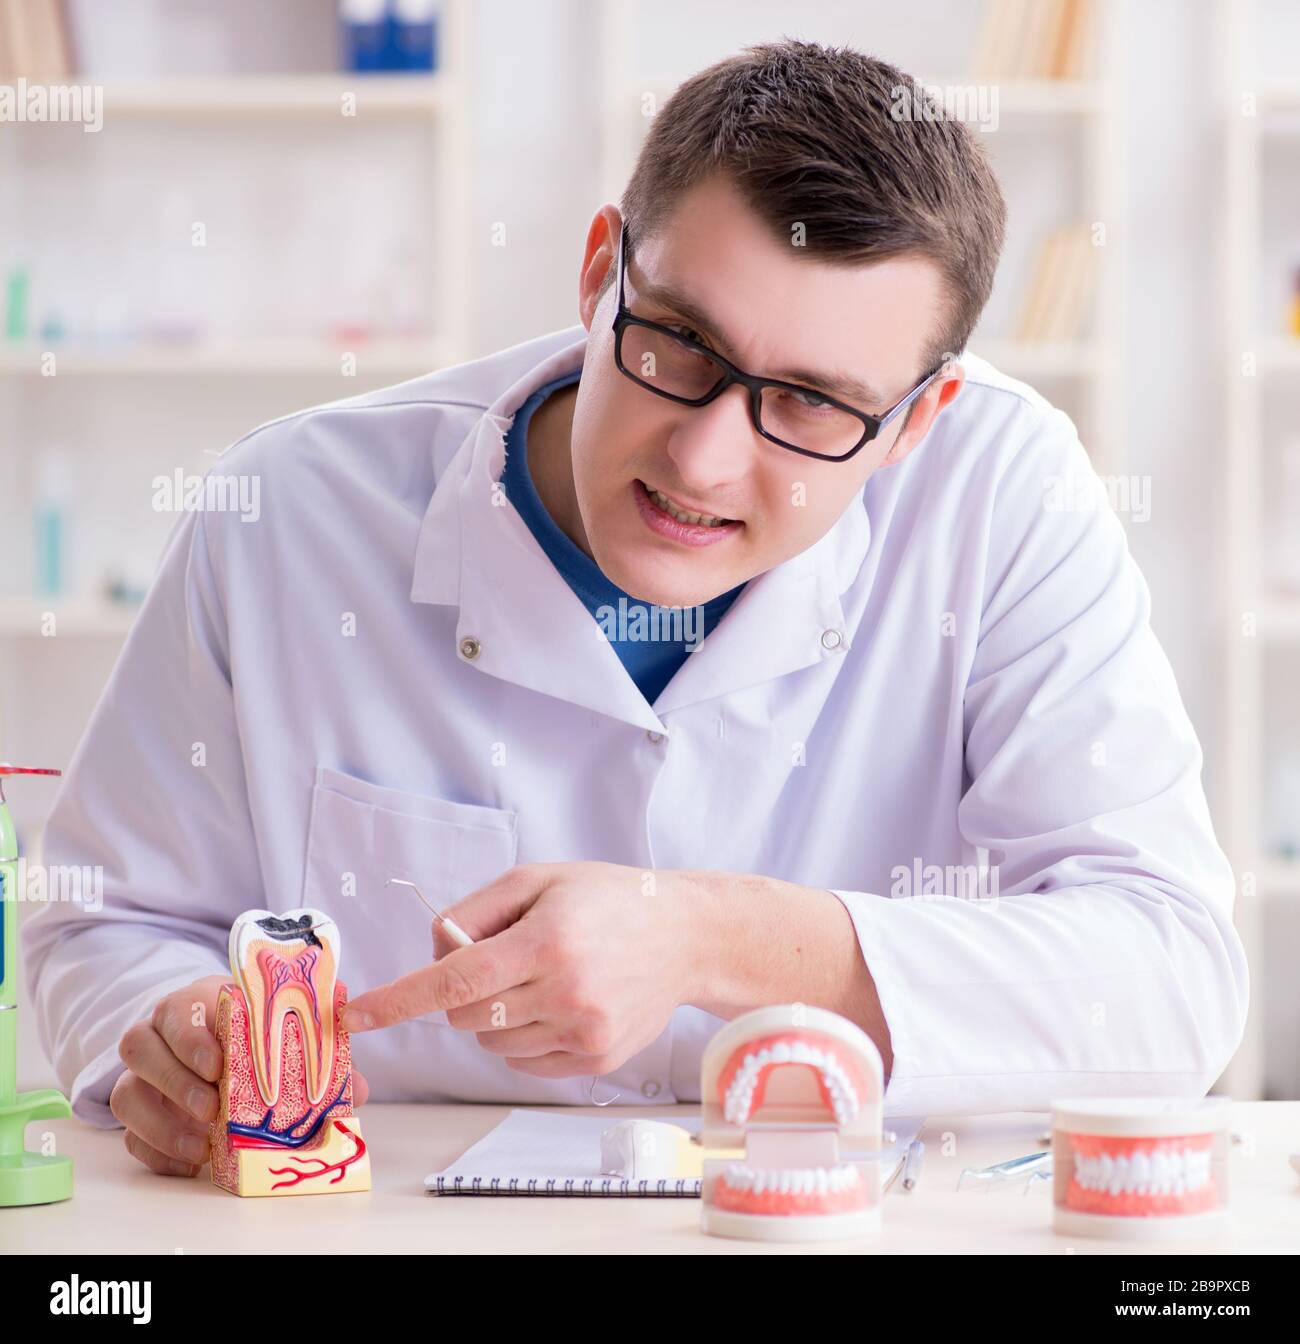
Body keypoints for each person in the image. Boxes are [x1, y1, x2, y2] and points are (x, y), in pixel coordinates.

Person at [24, 40, 1246, 1180]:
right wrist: (167, 1041)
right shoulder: (288, 511)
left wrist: (711, 938)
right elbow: (108, 924)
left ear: (915, 424)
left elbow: (1167, 980)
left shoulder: (1003, 494)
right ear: (602, 269)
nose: (707, 462)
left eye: (816, 404)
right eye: (676, 345)